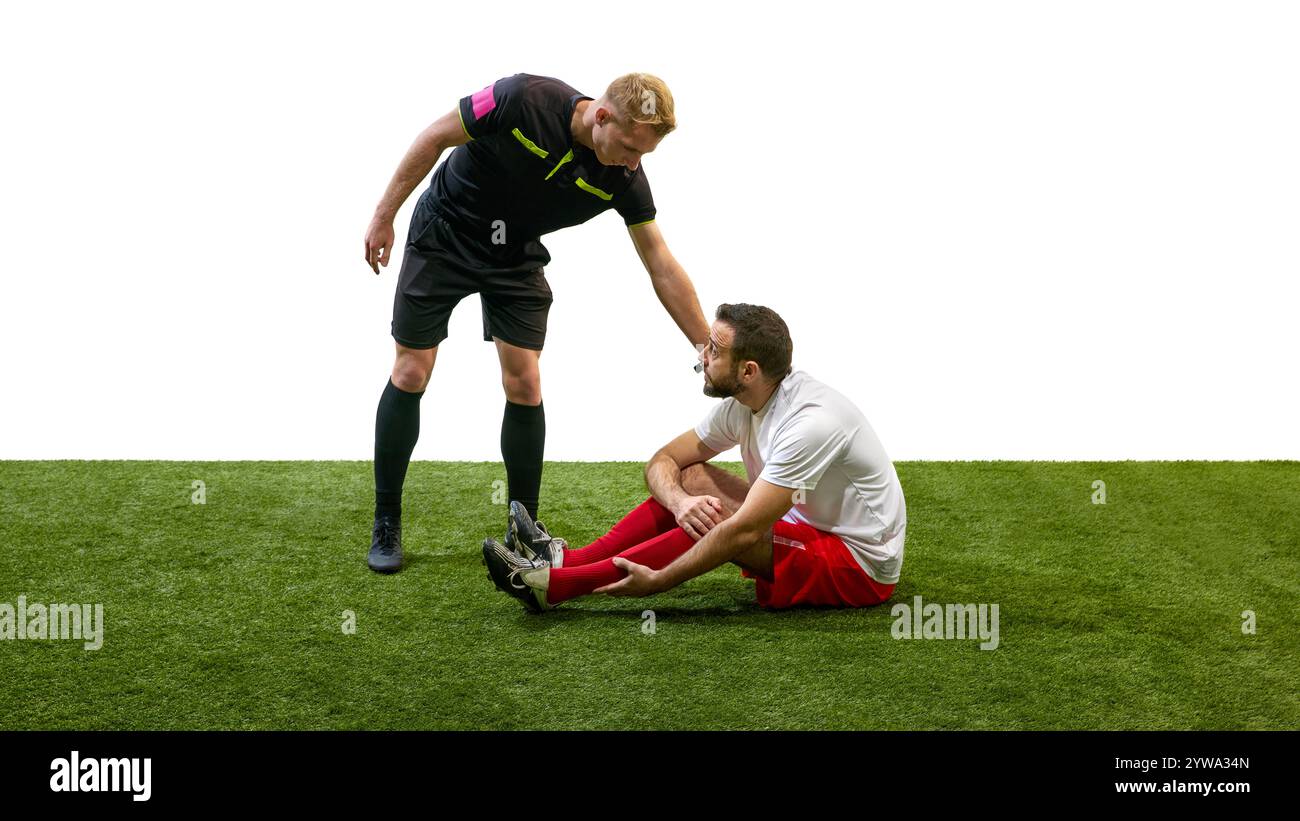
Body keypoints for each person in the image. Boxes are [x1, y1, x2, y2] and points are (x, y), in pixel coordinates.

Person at [362, 72, 709, 573]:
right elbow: (435, 136)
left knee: (524, 379)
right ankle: (387, 519)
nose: (635, 162)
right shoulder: (522, 99)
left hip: (515, 255)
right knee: (411, 371)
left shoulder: (624, 177)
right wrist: (383, 214)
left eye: (644, 155)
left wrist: (706, 346)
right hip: (445, 232)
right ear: (602, 116)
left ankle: (523, 524)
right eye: (631, 147)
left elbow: (661, 265)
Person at [483, 303, 907, 612]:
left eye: (715, 351)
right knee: (693, 480)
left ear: (749, 371)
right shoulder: (746, 401)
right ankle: (566, 560)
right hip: (808, 521)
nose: (703, 357)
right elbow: (664, 460)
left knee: (719, 519)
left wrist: (660, 582)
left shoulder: (810, 424)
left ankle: (555, 586)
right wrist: (679, 502)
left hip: (857, 561)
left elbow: (740, 533)